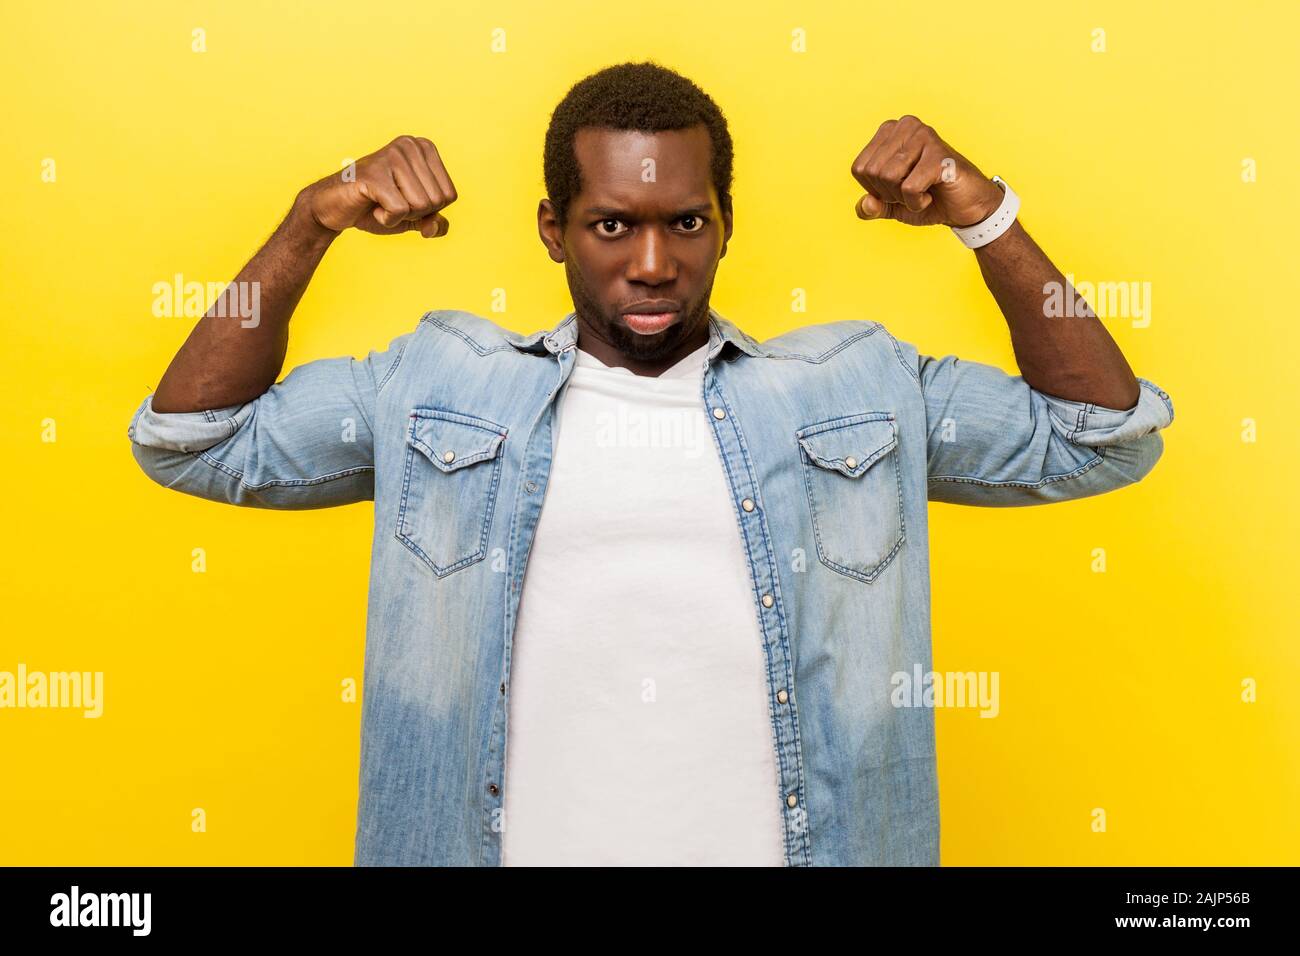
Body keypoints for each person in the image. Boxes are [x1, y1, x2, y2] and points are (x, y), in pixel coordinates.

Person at [127, 61, 1174, 866]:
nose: (652, 263)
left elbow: (1102, 435)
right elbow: (193, 438)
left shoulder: (851, 387)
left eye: (685, 222)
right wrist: (312, 221)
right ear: (553, 228)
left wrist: (981, 213)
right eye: (610, 225)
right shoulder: (443, 386)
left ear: (726, 223)